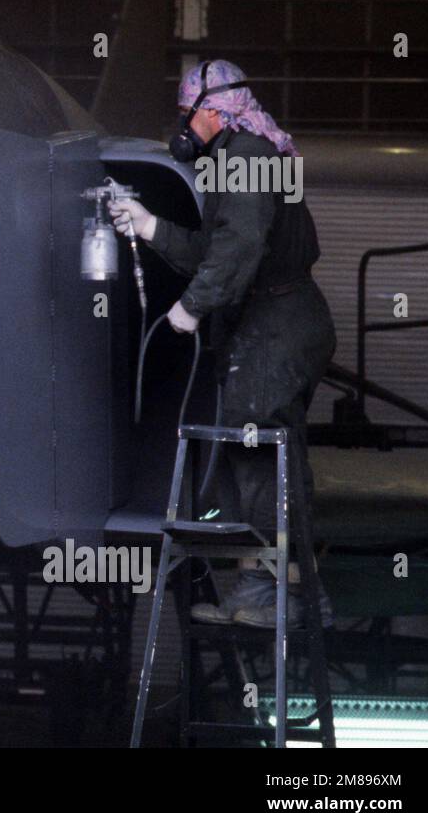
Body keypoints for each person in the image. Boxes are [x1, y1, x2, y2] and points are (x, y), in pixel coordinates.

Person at [108, 59, 336, 628]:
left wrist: (190, 308)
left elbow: (237, 254)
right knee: (253, 447)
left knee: (256, 443)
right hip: (268, 322)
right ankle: (277, 588)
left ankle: (273, 590)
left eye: (187, 113)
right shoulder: (231, 162)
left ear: (211, 110)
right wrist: (148, 225)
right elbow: (216, 250)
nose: (182, 124)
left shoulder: (247, 158)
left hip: (278, 321)